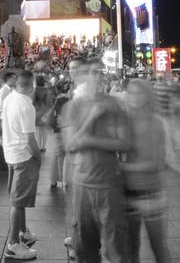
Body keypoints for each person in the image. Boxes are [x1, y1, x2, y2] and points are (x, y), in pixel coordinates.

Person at [65, 59, 129, 263]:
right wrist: (92, 118)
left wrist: (91, 140)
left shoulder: (114, 104)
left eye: (99, 72)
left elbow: (125, 143)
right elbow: (71, 144)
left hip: (108, 182)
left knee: (115, 246)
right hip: (82, 183)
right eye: (91, 72)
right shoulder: (75, 105)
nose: (96, 76)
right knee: (85, 246)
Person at [123, 79, 170, 263]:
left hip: (151, 192)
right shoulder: (123, 120)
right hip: (126, 192)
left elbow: (156, 163)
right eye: (130, 92)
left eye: (138, 93)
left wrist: (122, 167)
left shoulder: (155, 123)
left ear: (147, 96)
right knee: (130, 248)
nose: (133, 97)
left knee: (158, 246)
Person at [1, 70, 42, 260]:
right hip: (23, 157)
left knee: (19, 198)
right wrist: (38, 157)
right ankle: (13, 245)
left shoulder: (9, 98)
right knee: (17, 202)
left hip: (10, 154)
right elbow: (29, 139)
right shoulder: (26, 105)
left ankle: (24, 233)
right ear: (31, 85)